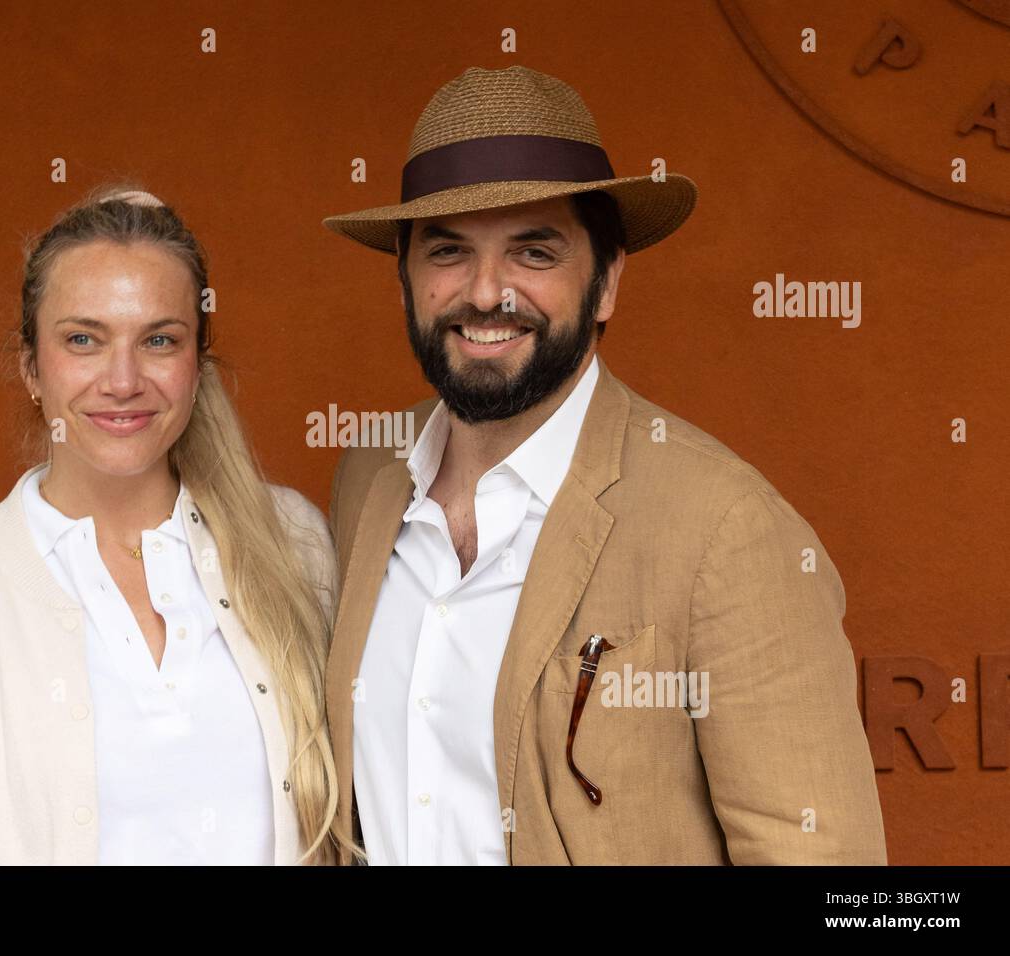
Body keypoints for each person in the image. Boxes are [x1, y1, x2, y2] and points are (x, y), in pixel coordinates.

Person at [321, 66, 887, 865]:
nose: (486, 292)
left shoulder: (727, 528)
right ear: (405, 279)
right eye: (448, 251)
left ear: (608, 280)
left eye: (534, 251)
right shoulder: (367, 481)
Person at [0, 187, 344, 864]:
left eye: (159, 340)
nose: (122, 380)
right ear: (31, 366)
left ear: (196, 366)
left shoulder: (294, 541)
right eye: (83, 339)